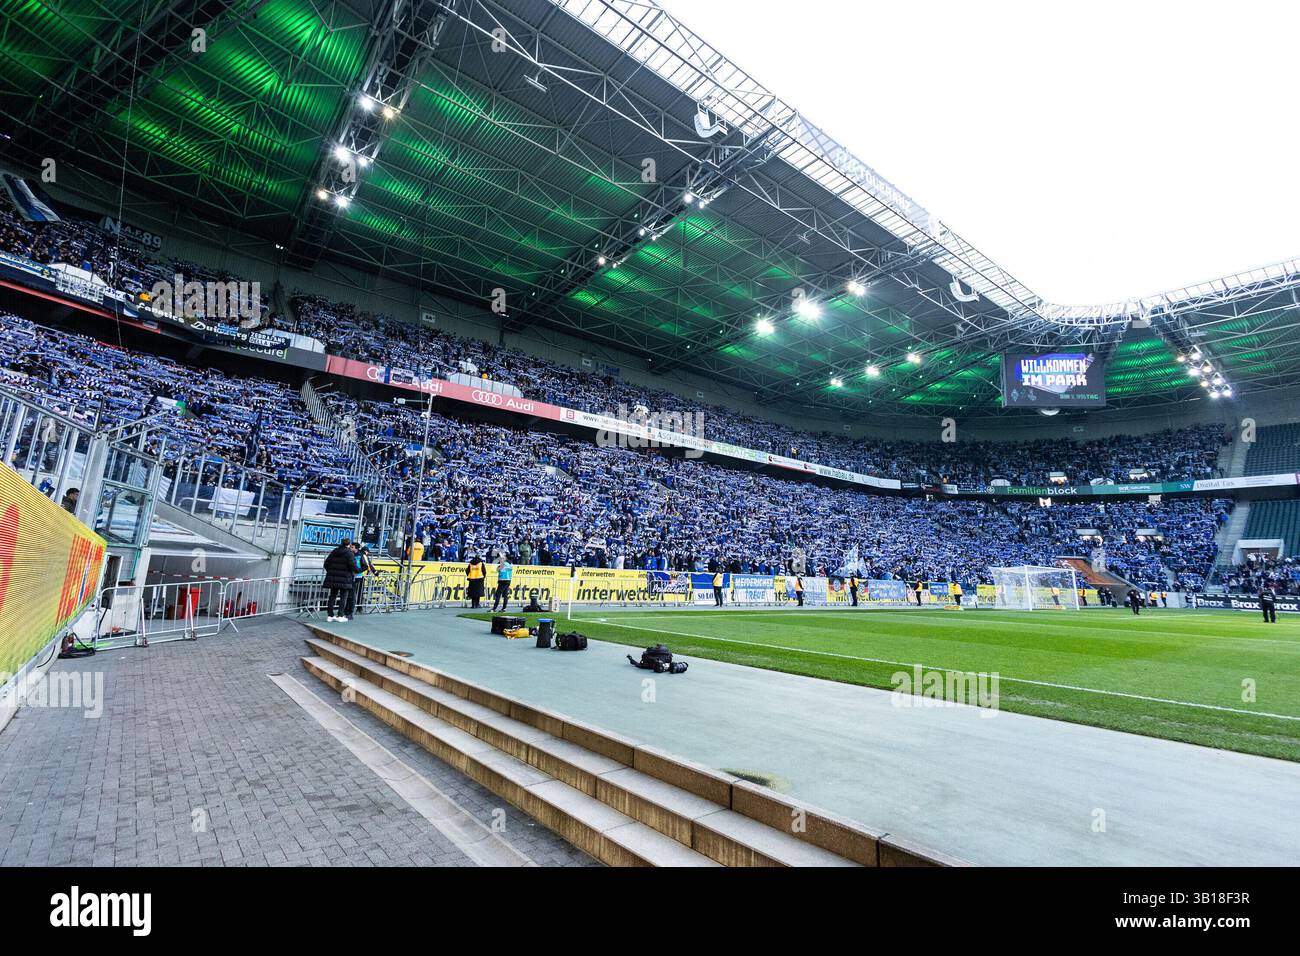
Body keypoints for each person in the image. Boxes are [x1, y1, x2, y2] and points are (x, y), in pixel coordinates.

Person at [324, 538, 357, 622]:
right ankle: (340, 615)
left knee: (332, 596)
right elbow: (352, 566)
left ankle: (330, 615)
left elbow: (326, 564)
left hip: (333, 577)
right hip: (345, 578)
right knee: (343, 597)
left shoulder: (334, 552)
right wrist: (354, 572)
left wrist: (331, 571)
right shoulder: (349, 553)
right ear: (349, 545)